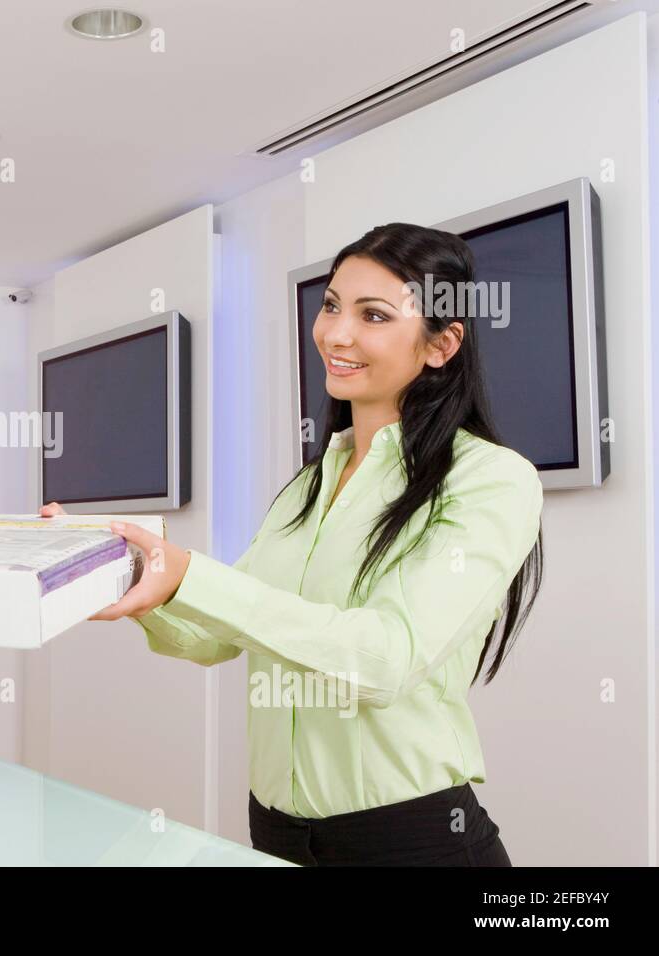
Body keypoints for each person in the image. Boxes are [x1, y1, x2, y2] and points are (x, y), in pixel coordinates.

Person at [43, 222, 544, 866]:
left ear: (442, 344)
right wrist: (122, 569)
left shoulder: (490, 479)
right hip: (279, 834)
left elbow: (384, 659)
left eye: (374, 315)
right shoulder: (313, 480)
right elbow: (217, 636)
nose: (336, 333)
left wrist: (189, 574)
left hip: (408, 841)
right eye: (332, 304)